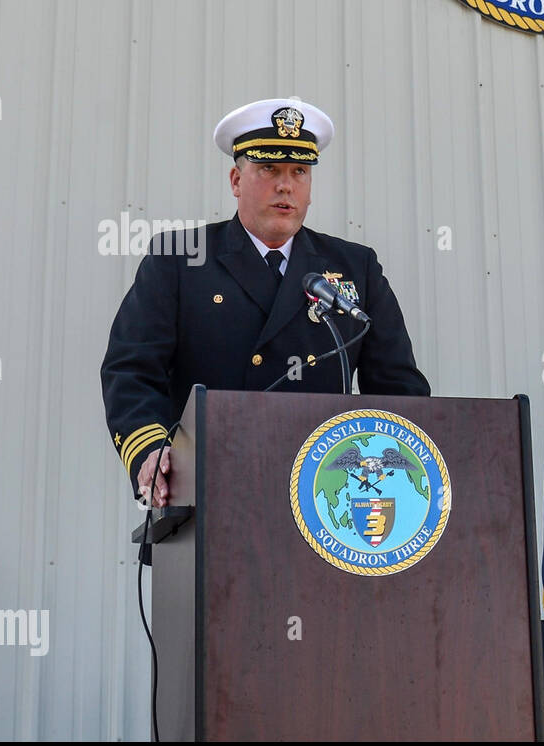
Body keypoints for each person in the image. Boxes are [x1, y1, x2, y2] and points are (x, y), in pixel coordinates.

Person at [101, 99, 430, 506]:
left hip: (327, 503)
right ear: (236, 180)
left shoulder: (355, 267)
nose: (285, 185)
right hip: (211, 495)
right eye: (269, 169)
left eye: (299, 172)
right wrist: (150, 453)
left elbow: (400, 389)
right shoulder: (180, 258)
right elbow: (131, 370)